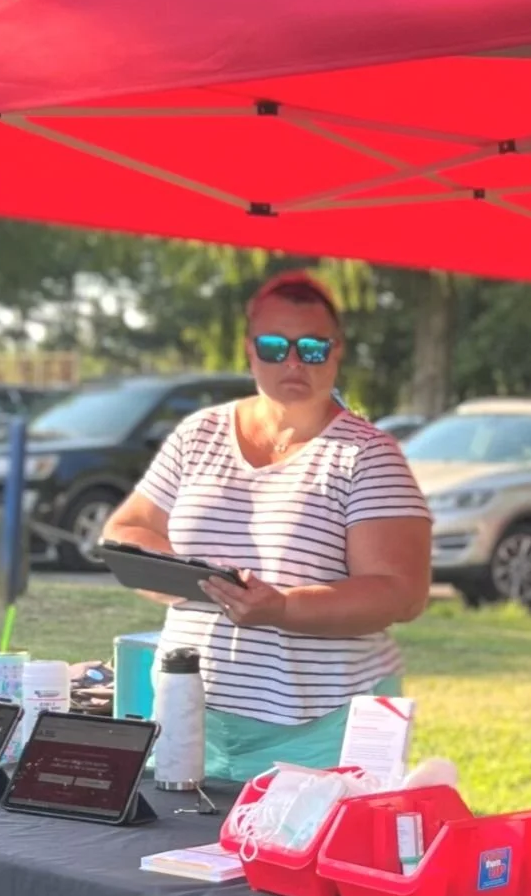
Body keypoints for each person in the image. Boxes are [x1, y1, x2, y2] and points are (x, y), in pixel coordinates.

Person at [101, 272, 433, 779]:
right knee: (172, 859)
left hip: (322, 731)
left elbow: (400, 594)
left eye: (313, 348)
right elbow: (127, 531)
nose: (293, 362)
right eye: (275, 346)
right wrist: (194, 580)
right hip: (189, 718)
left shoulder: (369, 456)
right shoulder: (199, 434)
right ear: (250, 349)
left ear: (337, 351)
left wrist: (281, 608)